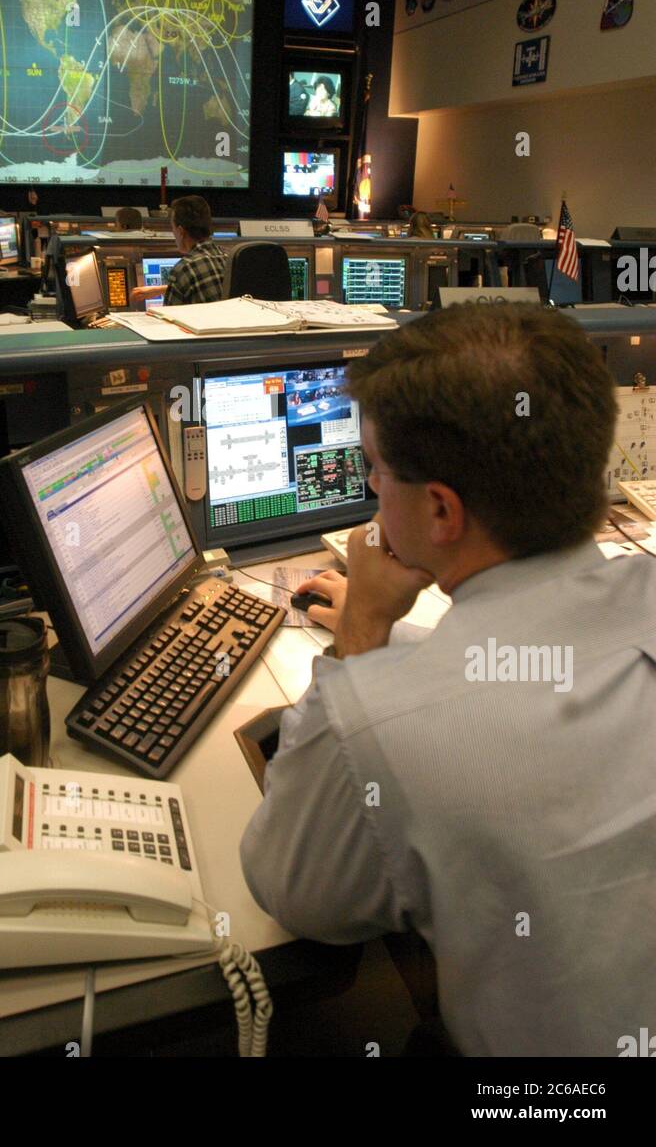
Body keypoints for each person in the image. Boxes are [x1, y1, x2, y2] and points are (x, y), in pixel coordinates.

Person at [240, 303, 656, 1057]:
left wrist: (364, 631)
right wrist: (410, 640)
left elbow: (291, 890)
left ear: (439, 509)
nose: (368, 483)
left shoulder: (380, 724)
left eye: (374, 467)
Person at [131, 195, 225, 307]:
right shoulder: (226, 258)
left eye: (173, 228)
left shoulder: (184, 268)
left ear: (181, 232)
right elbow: (205, 285)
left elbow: (169, 317)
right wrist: (160, 290)